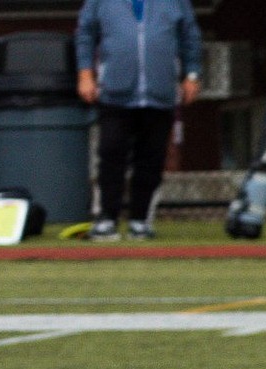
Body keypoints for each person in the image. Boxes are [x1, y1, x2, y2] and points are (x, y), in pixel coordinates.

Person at [74, 0, 202, 241]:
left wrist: (192, 75)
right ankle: (106, 220)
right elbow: (85, 33)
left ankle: (140, 220)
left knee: (151, 159)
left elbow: (190, 36)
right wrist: (85, 74)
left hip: (160, 93)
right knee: (111, 154)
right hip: (114, 91)